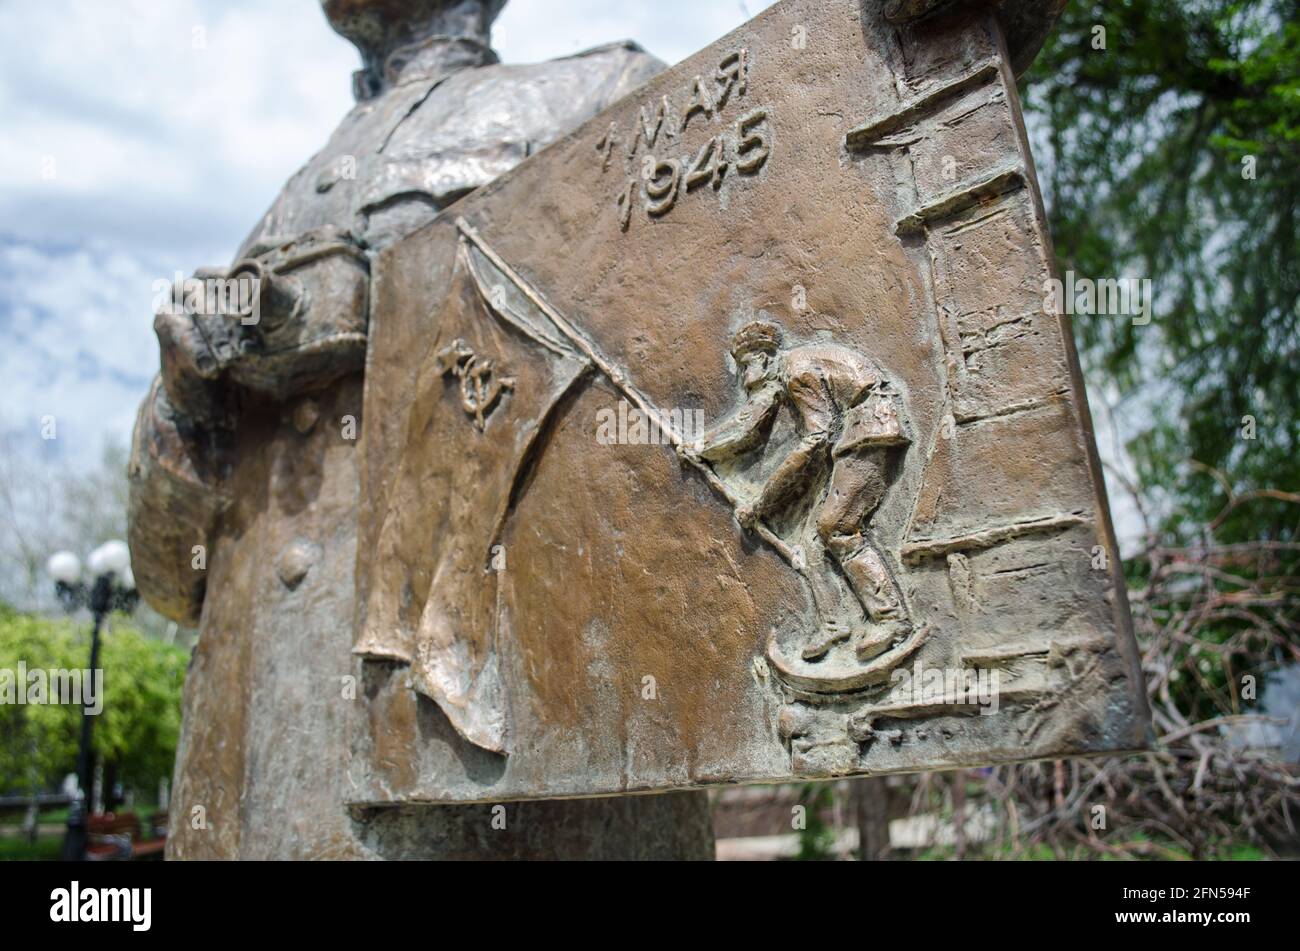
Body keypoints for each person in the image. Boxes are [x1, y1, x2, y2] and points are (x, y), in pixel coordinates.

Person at [682, 319, 913, 665]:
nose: (744, 378)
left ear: (762, 358)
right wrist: (701, 446)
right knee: (812, 543)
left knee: (837, 527)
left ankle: (891, 619)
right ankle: (834, 623)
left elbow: (817, 438)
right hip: (855, 433)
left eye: (745, 366)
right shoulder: (786, 372)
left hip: (869, 428)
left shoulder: (796, 370)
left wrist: (761, 505)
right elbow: (749, 423)